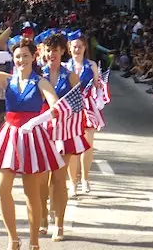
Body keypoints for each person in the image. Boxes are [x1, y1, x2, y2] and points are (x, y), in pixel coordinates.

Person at [0, 39, 65, 250]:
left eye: (25, 55)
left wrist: (35, 121)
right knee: (1, 187)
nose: (21, 60)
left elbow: (56, 107)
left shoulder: (41, 82)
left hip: (32, 136)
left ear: (33, 57)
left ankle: (33, 242)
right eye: (17, 56)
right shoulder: (8, 80)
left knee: (31, 192)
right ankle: (13, 238)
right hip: (10, 135)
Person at [39, 32, 84, 242]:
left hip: (63, 133)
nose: (51, 54)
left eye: (55, 50)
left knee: (58, 178)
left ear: (62, 51)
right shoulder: (39, 76)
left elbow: (78, 106)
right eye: (48, 50)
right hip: (43, 133)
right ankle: (43, 217)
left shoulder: (71, 76)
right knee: (41, 179)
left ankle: (60, 223)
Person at [65, 30, 101, 197]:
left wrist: (100, 97)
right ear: (69, 48)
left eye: (80, 46)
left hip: (87, 107)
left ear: (85, 48)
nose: (77, 50)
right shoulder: (65, 67)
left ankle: (85, 178)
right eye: (74, 47)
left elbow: (98, 86)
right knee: (72, 147)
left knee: (88, 145)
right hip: (71, 108)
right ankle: (73, 182)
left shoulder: (92, 65)